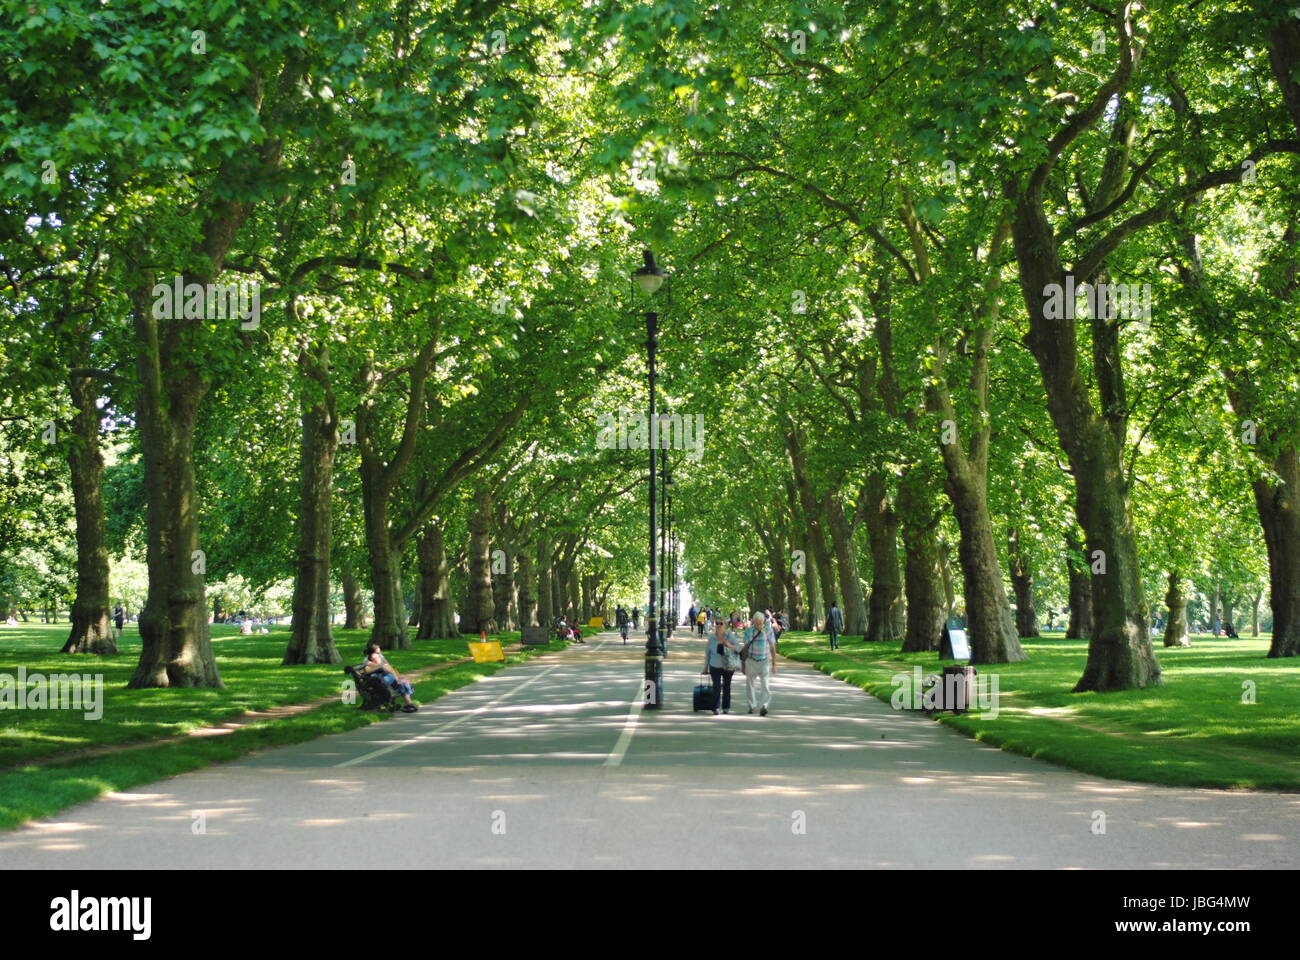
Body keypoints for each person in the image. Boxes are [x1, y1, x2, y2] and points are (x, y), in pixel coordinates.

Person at [361, 642, 419, 712]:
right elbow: (367, 670)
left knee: (403, 682)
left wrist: (397, 677)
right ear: (371, 654)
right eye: (377, 653)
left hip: (386, 678)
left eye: (379, 653)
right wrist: (380, 665)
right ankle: (408, 704)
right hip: (379, 680)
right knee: (401, 683)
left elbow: (388, 665)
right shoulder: (367, 660)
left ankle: (408, 704)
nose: (379, 655)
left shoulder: (380, 657)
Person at [742, 611, 777, 716]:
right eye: (757, 623)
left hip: (764, 661)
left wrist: (774, 664)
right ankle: (752, 706)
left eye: (761, 623)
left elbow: (772, 647)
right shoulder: (749, 631)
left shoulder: (768, 630)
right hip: (751, 660)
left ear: (763, 621)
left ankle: (764, 706)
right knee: (750, 684)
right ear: (753, 622)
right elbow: (745, 648)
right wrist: (743, 664)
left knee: (765, 684)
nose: (759, 625)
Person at [704, 616, 741, 714]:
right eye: (717, 623)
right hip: (714, 665)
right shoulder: (712, 637)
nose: (719, 625)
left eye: (721, 623)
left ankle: (726, 707)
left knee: (726, 687)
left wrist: (728, 644)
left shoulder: (730, 636)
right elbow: (708, 653)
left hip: (728, 665)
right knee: (716, 686)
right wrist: (705, 667)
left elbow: (738, 648)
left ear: (725, 625)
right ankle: (715, 707)